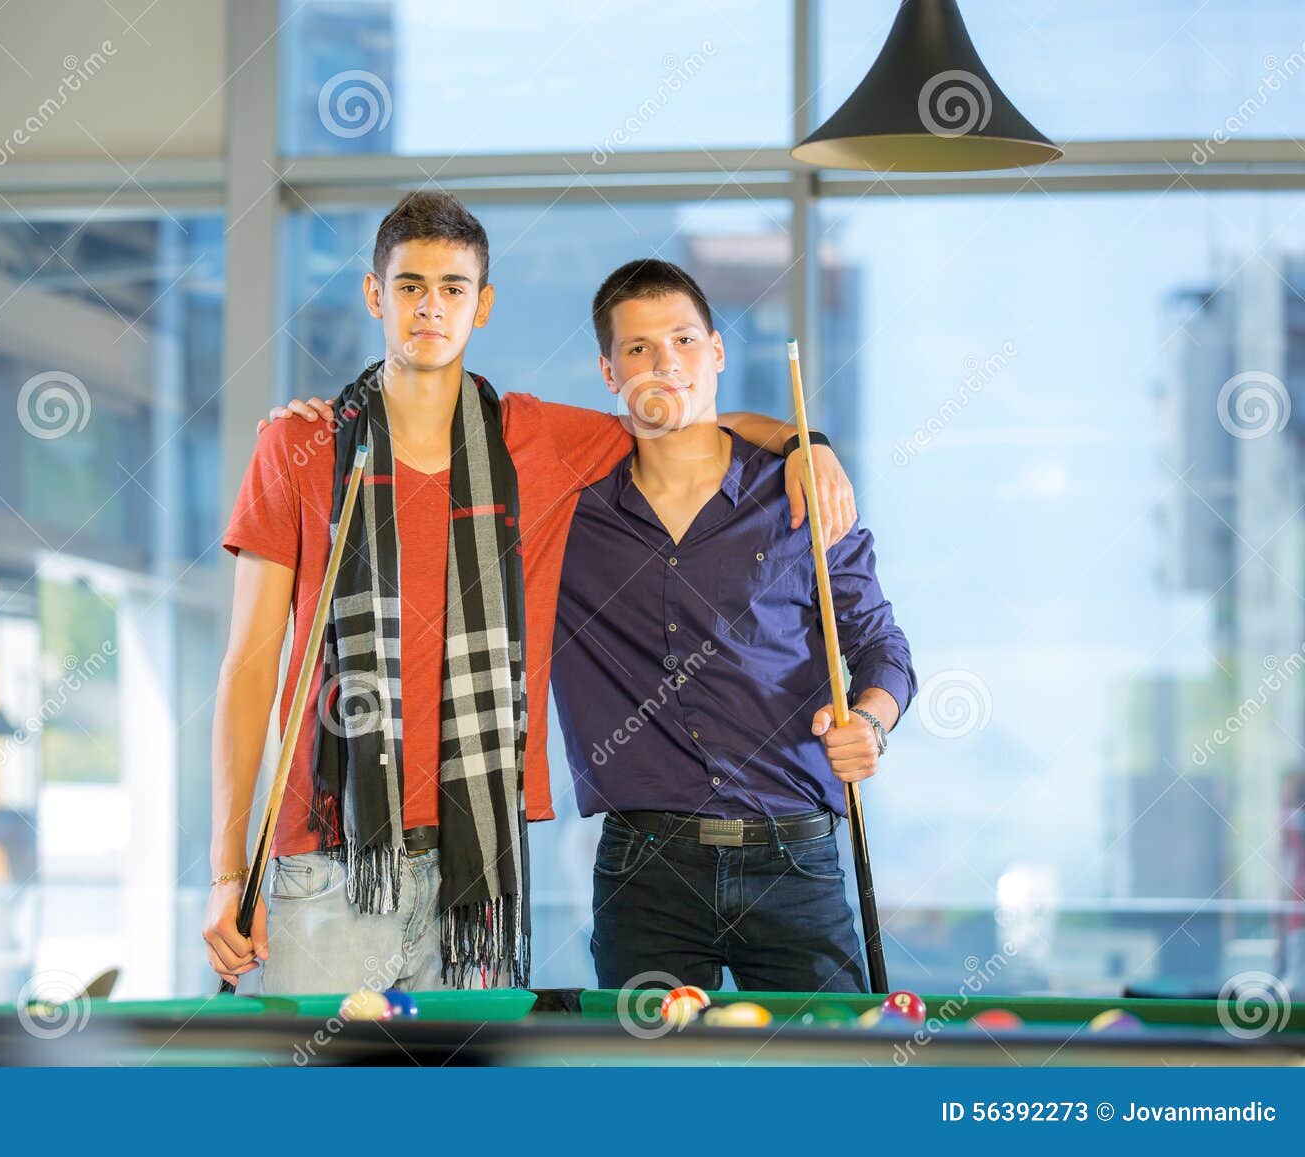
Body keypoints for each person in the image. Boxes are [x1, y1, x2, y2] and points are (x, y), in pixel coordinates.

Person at [207, 192, 859, 993]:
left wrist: (806, 442)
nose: (429, 307)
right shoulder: (300, 446)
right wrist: (223, 873)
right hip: (329, 857)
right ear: (376, 296)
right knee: (326, 1111)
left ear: (481, 306)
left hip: (477, 866)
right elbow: (246, 669)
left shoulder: (535, 439)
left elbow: (678, 414)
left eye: (452, 287)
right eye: (409, 285)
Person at [552, 258, 917, 993]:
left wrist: (872, 723)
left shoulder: (802, 496)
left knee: (834, 1086)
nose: (666, 364)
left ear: (717, 351)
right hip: (643, 868)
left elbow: (883, 648)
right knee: (653, 1097)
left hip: (796, 856)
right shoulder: (568, 511)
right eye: (638, 349)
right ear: (608, 370)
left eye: (684, 341)